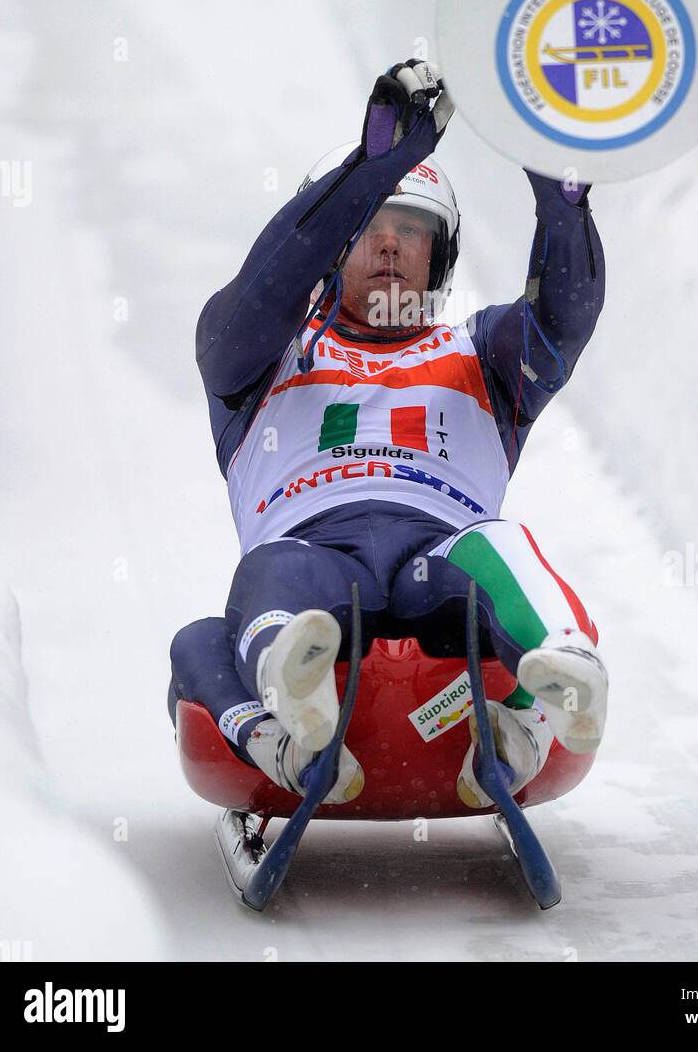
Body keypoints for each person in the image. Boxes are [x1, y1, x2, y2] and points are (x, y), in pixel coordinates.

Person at [168, 59, 608, 809]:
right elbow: (258, 296)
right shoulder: (260, 357)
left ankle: (554, 682)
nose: (391, 248)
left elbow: (563, 318)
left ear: (439, 257)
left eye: (412, 233)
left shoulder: (481, 352)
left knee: (500, 546)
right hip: (318, 571)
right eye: (368, 230)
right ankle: (292, 699)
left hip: (444, 591)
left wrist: (563, 199)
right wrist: (367, 175)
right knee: (265, 577)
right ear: (330, 251)